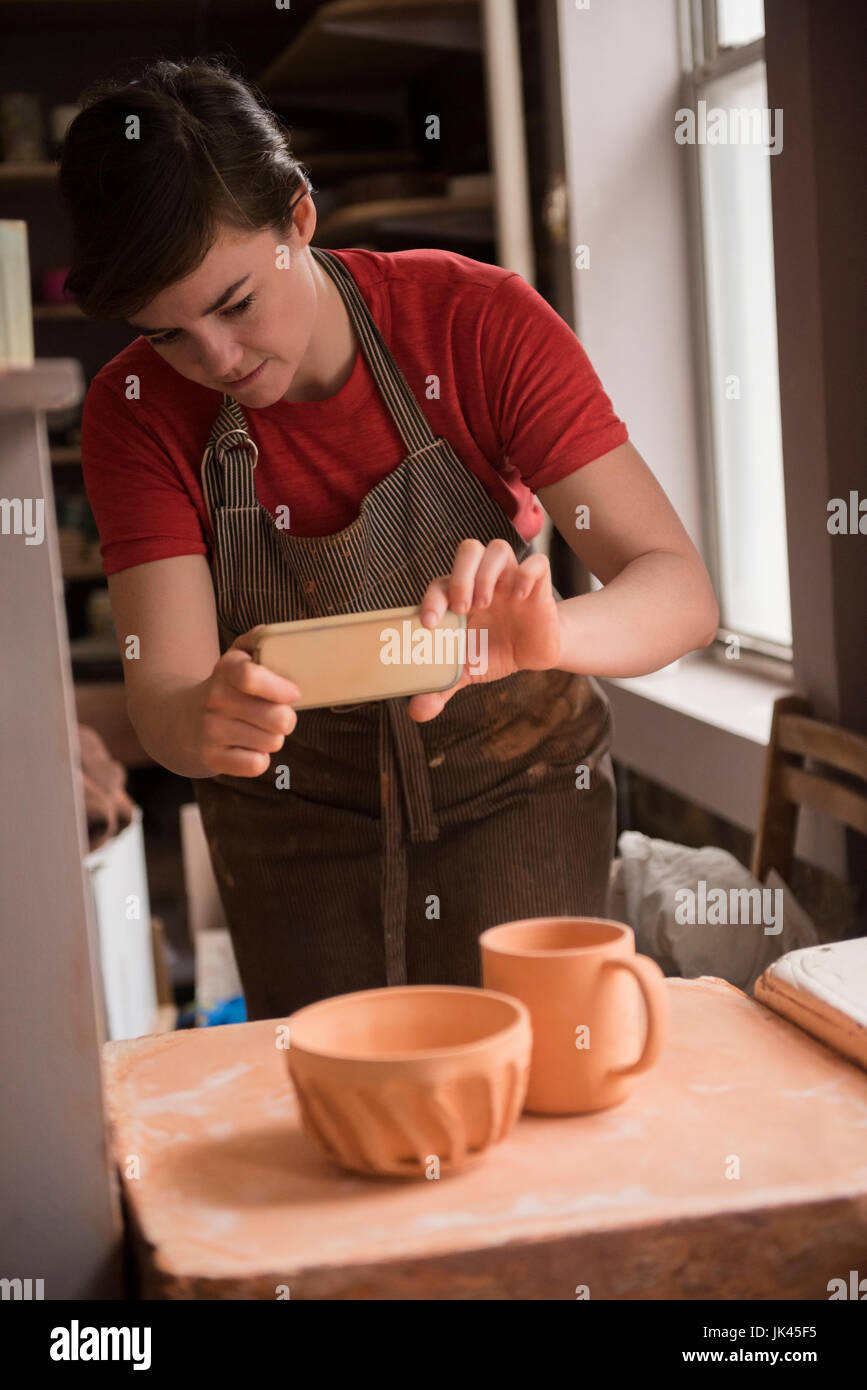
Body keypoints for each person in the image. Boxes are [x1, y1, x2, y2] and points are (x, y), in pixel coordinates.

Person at [60, 57, 718, 1022]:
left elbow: (676, 590)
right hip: (290, 824)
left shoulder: (474, 321)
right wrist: (199, 721)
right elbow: (162, 691)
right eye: (167, 335)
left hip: (515, 784)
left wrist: (549, 637)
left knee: (524, 1090)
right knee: (338, 1121)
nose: (218, 362)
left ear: (298, 217)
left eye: (235, 304)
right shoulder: (135, 413)